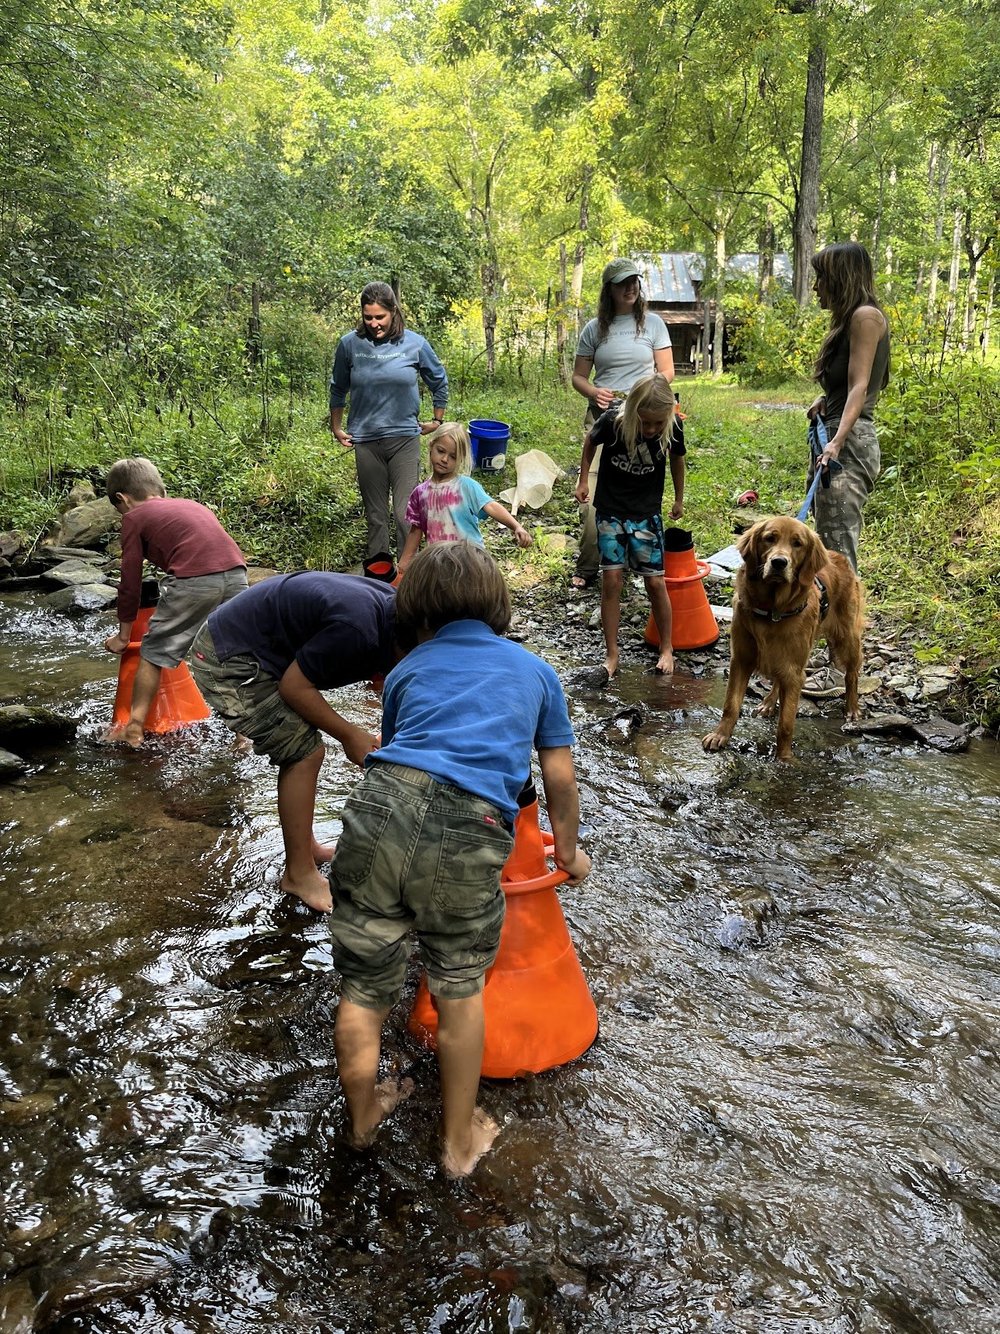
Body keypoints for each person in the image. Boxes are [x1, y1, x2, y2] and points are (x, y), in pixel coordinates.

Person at [327, 542, 591, 1178]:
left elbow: (397, 752)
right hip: (467, 825)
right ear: (497, 604)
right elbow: (557, 773)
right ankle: (457, 1142)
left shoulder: (408, 669)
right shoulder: (533, 670)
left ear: (415, 611)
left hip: (375, 809)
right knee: (458, 985)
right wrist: (571, 851)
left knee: (364, 986)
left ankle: (363, 1118)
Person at [190, 572, 398, 914]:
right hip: (228, 657)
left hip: (262, 647)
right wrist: (349, 735)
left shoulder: (392, 611)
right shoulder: (357, 629)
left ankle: (307, 848)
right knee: (304, 752)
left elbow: (389, 682)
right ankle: (298, 874)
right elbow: (294, 688)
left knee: (305, 743)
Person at [102, 457, 248, 747]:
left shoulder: (134, 517)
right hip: (237, 575)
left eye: (118, 508)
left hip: (194, 580)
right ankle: (245, 734)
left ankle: (134, 728)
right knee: (228, 656)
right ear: (161, 490)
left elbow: (130, 579)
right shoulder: (193, 505)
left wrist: (123, 635)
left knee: (153, 651)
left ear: (122, 498)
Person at [570, 257, 675, 589]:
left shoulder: (653, 324)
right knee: (595, 491)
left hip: (645, 416)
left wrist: (643, 395)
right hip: (605, 417)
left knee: (640, 488)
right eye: (622, 283)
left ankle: (637, 561)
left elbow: (667, 372)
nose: (631, 287)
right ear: (609, 289)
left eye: (634, 281)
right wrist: (594, 391)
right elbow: (578, 377)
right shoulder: (594, 328)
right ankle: (589, 566)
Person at [574, 371, 685, 682]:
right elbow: (590, 442)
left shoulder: (673, 427)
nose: (650, 429)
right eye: (645, 422)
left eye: (657, 424)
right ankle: (612, 654)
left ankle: (666, 647)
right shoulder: (612, 421)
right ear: (633, 410)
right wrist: (583, 479)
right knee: (611, 581)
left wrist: (678, 498)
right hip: (610, 510)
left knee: (656, 583)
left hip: (646, 515)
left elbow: (678, 460)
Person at [329, 282, 449, 563]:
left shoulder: (415, 343)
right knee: (376, 516)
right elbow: (338, 387)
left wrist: (436, 419)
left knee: (404, 514)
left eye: (379, 317)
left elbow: (439, 380)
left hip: (404, 440)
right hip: (366, 441)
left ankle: (408, 580)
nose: (373, 324)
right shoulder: (350, 344)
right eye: (367, 317)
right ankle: (379, 583)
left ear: (393, 311)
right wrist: (336, 426)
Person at [806, 241, 890, 574]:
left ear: (840, 278)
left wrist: (836, 443)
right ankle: (827, 620)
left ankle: (847, 624)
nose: (816, 287)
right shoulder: (848, 322)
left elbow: (862, 385)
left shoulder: (865, 316)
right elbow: (851, 383)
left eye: (821, 278)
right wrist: (827, 399)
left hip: (848, 444)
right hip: (835, 435)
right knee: (827, 541)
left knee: (837, 554)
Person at [397, 421, 533, 574]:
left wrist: (516, 526)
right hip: (439, 563)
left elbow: (491, 506)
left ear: (461, 459)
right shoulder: (420, 493)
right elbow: (416, 530)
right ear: (431, 446)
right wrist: (403, 564)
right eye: (441, 451)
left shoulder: (466, 486)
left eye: (453, 457)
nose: (444, 459)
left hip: (470, 561)